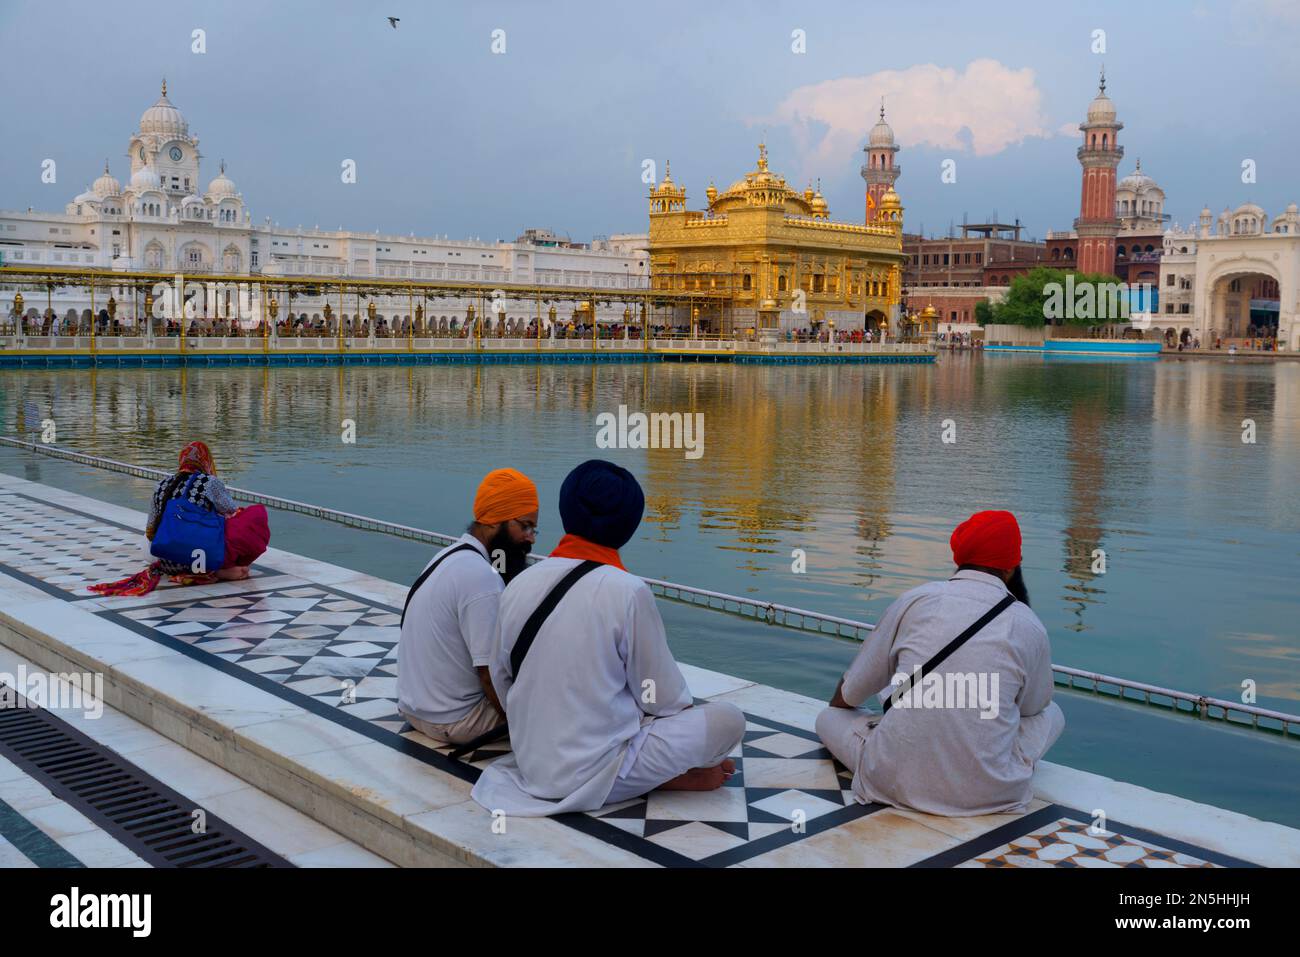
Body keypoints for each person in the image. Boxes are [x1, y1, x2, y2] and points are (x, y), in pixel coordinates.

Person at [472, 459, 744, 816]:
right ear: (628, 526)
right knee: (728, 720)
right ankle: (661, 777)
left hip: (532, 761)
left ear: (566, 511)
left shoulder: (519, 583)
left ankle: (647, 772)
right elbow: (665, 701)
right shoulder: (628, 590)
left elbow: (501, 680)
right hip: (599, 769)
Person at [816, 510, 1064, 817]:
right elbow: (1031, 709)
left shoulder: (916, 600)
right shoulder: (1029, 624)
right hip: (990, 792)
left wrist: (844, 707)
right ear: (1013, 564)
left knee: (828, 717)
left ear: (958, 556)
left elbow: (851, 693)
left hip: (892, 780)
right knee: (1053, 713)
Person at [396, 468, 538, 746]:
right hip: (454, 720)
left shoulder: (448, 556)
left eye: (533, 529)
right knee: (558, 699)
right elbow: (489, 676)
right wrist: (521, 726)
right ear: (495, 520)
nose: (531, 538)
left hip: (414, 709)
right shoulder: (483, 578)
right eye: (525, 526)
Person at [89, 441, 269, 596]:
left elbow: (151, 530)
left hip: (166, 559)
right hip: (199, 557)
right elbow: (232, 511)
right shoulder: (209, 482)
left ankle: (209, 569)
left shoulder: (162, 484)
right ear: (206, 461)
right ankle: (217, 571)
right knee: (253, 516)